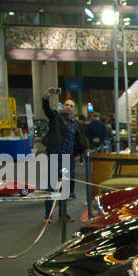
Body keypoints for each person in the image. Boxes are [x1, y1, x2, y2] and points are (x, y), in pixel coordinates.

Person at [42, 88, 84, 217]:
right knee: (51, 186)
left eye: (71, 106)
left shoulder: (76, 124)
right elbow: (47, 110)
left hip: (69, 159)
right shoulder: (56, 117)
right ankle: (48, 214)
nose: (69, 107)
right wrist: (46, 98)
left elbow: (79, 140)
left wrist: (78, 154)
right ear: (63, 106)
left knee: (65, 187)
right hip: (55, 156)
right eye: (67, 105)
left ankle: (63, 213)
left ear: (74, 109)